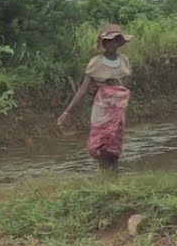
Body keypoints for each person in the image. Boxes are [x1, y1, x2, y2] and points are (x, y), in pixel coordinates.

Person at [57, 24, 134, 171]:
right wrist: (67, 112)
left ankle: (114, 173)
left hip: (118, 108)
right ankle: (103, 173)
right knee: (102, 141)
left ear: (118, 42)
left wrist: (119, 95)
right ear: (103, 43)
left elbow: (125, 85)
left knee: (116, 139)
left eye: (114, 40)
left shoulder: (124, 60)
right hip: (102, 108)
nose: (111, 44)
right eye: (108, 41)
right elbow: (83, 88)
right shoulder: (95, 62)